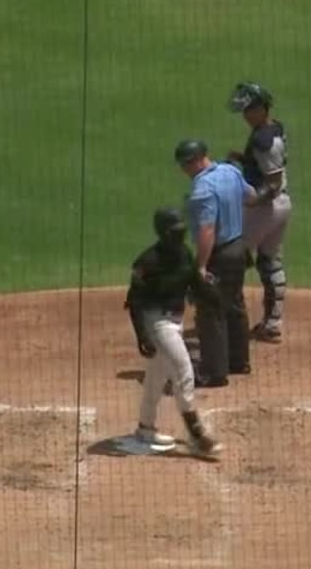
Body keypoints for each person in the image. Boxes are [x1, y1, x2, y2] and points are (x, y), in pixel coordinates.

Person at [124, 206, 225, 459]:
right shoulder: (148, 261)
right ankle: (197, 435)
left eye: (181, 231)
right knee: (183, 370)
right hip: (156, 322)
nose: (179, 236)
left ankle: (145, 429)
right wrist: (142, 336)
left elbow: (193, 282)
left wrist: (215, 299)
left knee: (157, 376)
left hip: (175, 321)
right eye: (174, 232)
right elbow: (134, 301)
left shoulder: (183, 254)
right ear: (163, 233)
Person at [174, 138, 252, 388]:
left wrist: (201, 265)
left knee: (210, 310)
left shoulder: (203, 188)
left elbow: (207, 230)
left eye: (184, 165)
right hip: (239, 248)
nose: (183, 170)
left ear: (193, 161)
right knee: (235, 303)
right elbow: (250, 196)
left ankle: (214, 371)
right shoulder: (230, 172)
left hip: (219, 253)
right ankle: (239, 361)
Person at [226, 81, 292, 343]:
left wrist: (253, 202)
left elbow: (272, 184)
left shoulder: (264, 140)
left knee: (229, 259)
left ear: (262, 108)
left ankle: (228, 322)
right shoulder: (274, 127)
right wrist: (243, 160)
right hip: (282, 207)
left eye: (249, 110)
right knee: (269, 260)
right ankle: (272, 323)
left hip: (265, 208)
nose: (245, 116)